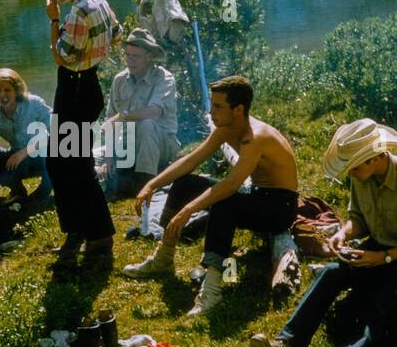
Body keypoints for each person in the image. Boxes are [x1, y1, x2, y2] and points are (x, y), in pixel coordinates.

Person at [250, 118, 397, 347]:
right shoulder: (362, 177)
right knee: (331, 274)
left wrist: (382, 258)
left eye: (352, 166)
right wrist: (344, 233)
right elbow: (358, 218)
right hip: (377, 247)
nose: (349, 173)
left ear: (374, 158)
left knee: (380, 302)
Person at [123, 76, 299, 316]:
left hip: (280, 207)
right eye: (212, 105)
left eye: (218, 106)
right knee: (185, 183)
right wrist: (152, 184)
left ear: (238, 110)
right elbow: (192, 160)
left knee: (224, 202)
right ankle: (164, 257)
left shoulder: (255, 136)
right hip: (257, 194)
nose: (211, 111)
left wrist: (189, 210)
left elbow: (231, 184)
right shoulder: (226, 128)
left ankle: (213, 289)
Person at [42, 0, 122, 262]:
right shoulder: (98, 1)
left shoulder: (75, 14)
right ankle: (77, 229)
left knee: (70, 165)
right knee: (64, 162)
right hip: (89, 86)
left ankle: (99, 235)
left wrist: (53, 19)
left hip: (74, 88)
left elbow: (61, 56)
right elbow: (116, 35)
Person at [95, 28, 179, 200]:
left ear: (150, 57)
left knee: (147, 124)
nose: (130, 61)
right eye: (128, 55)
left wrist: (123, 115)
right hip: (128, 144)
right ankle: (121, 181)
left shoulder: (164, 78)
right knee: (88, 159)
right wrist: (109, 158)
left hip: (161, 144)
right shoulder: (119, 80)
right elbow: (111, 120)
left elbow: (154, 112)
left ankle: (143, 182)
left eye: (136, 56)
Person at [0, 68, 53, 204]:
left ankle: (43, 192)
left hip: (42, 156)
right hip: (18, 160)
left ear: (17, 90)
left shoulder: (34, 103)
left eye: (7, 90)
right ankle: (18, 191)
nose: (3, 95)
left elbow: (56, 130)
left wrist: (26, 151)